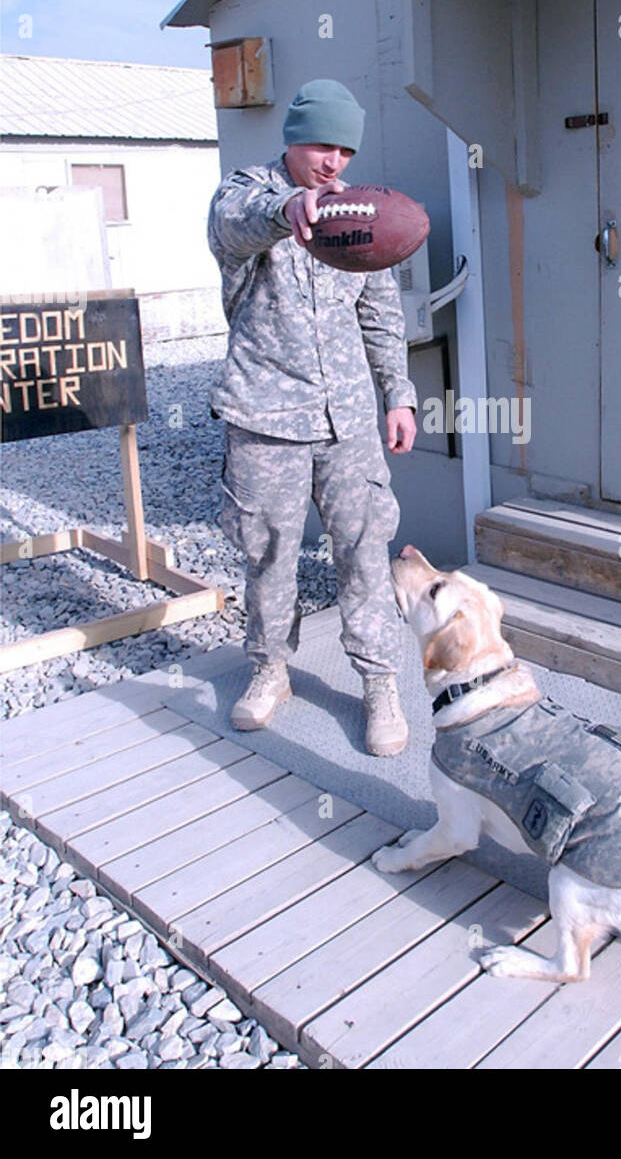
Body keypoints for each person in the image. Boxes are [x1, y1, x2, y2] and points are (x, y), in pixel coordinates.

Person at [206, 78, 417, 755]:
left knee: (364, 553)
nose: (333, 162)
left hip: (349, 420)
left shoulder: (360, 212)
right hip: (266, 416)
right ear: (294, 138)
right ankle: (270, 669)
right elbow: (234, 223)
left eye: (345, 149)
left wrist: (400, 394)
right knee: (268, 555)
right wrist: (290, 206)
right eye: (322, 144)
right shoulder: (246, 194)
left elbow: (380, 312)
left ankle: (380, 685)